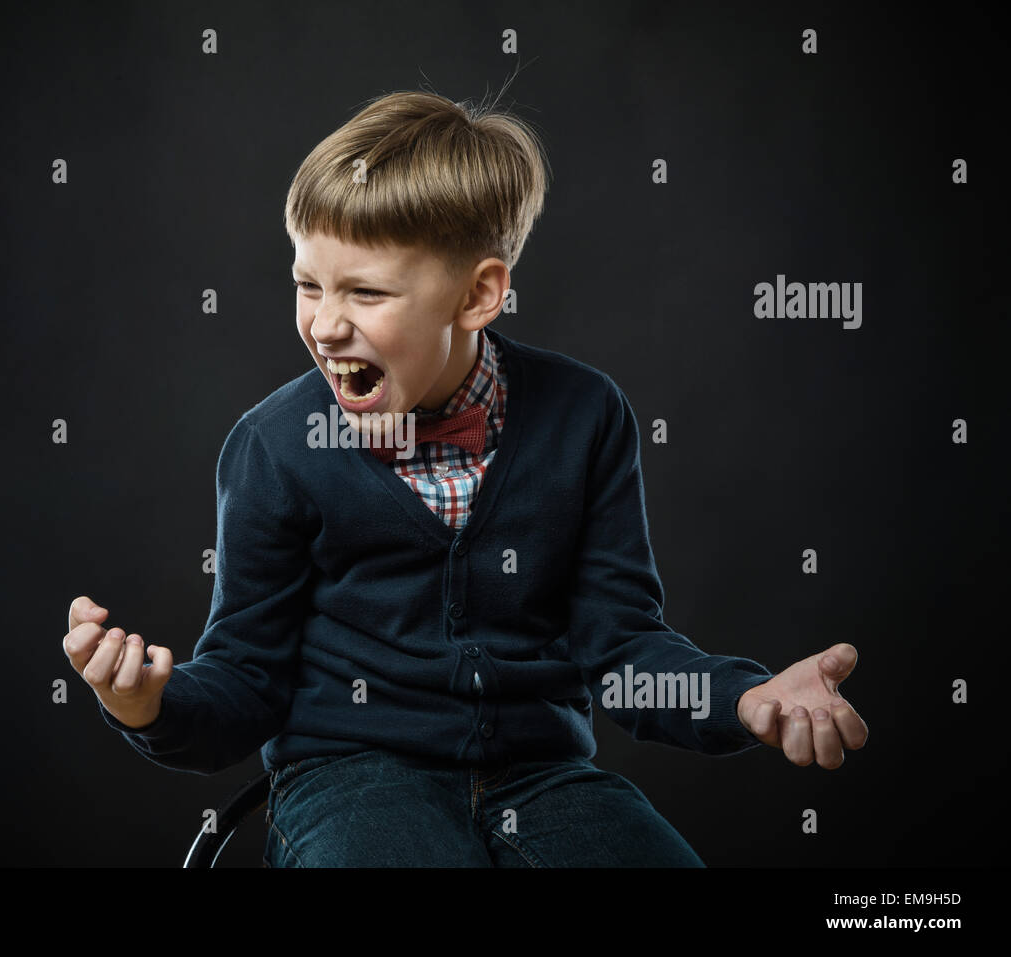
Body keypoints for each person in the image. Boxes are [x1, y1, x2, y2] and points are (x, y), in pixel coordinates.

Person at [61, 90, 868, 867]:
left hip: (544, 775)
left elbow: (623, 650)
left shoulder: (584, 415)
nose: (326, 323)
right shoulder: (273, 447)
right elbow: (243, 679)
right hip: (351, 779)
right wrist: (147, 705)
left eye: (366, 292)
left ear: (480, 293)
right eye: (308, 284)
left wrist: (742, 698)